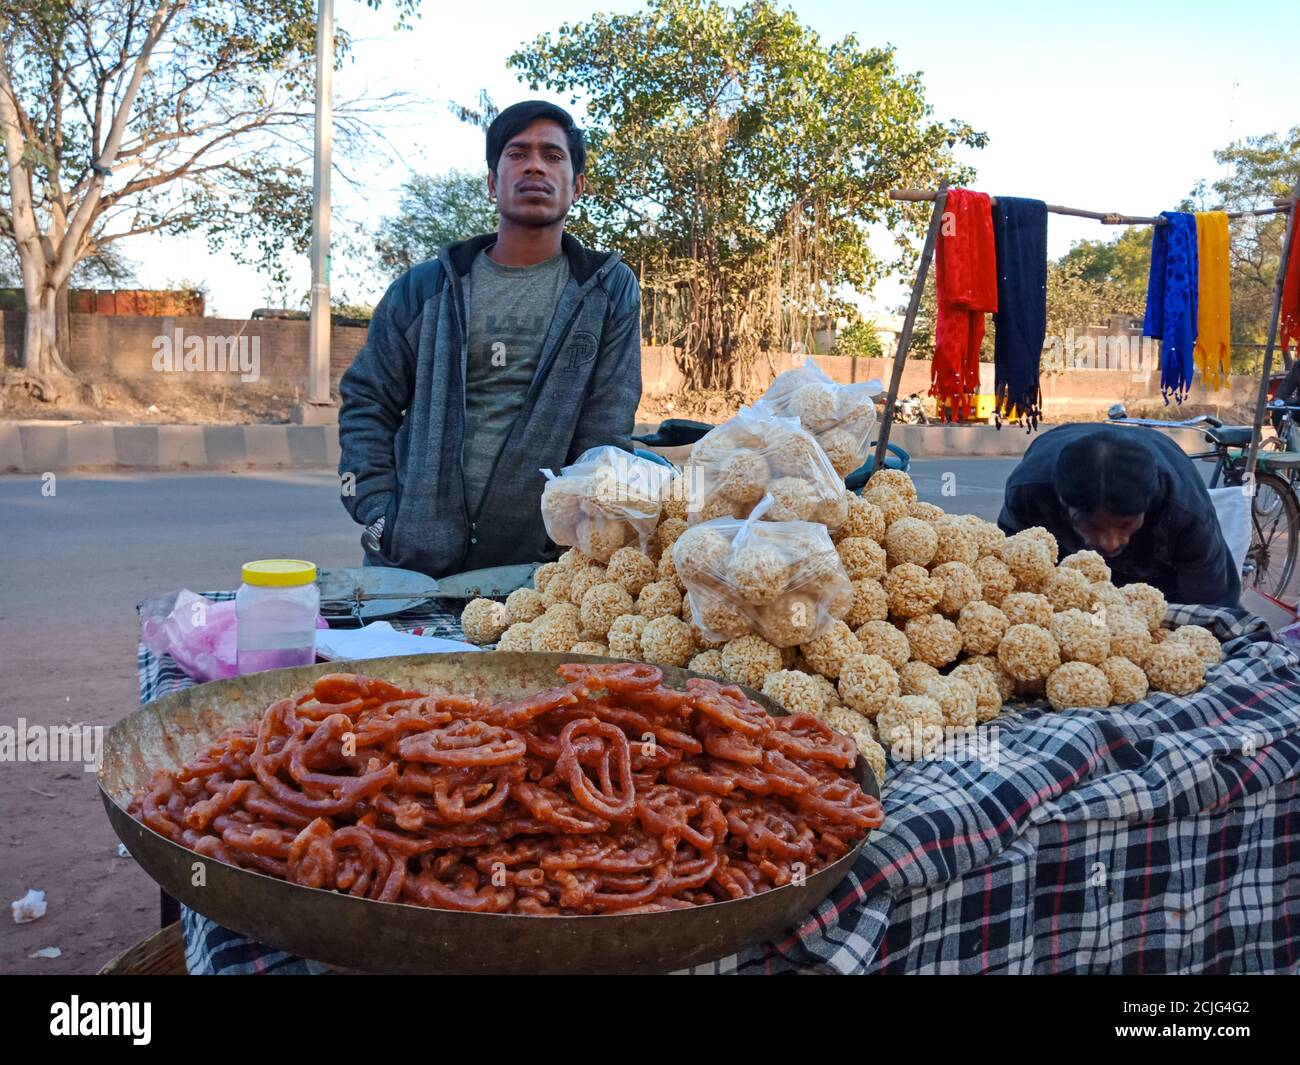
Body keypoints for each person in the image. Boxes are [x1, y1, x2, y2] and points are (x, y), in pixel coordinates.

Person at [337, 100, 642, 577]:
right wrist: (379, 513)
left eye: (553, 155)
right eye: (517, 153)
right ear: (492, 182)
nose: (535, 165)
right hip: (410, 564)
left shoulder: (605, 291)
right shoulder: (426, 289)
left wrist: (570, 541)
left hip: (539, 575)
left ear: (577, 186)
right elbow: (366, 401)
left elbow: (605, 432)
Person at [998, 423, 1241, 607]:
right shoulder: (1030, 491)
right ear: (1063, 502)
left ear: (1147, 505)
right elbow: (1012, 570)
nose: (1109, 543)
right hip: (1069, 566)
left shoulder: (1184, 513)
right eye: (1091, 526)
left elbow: (1211, 607)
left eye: (1125, 525)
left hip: (1159, 580)